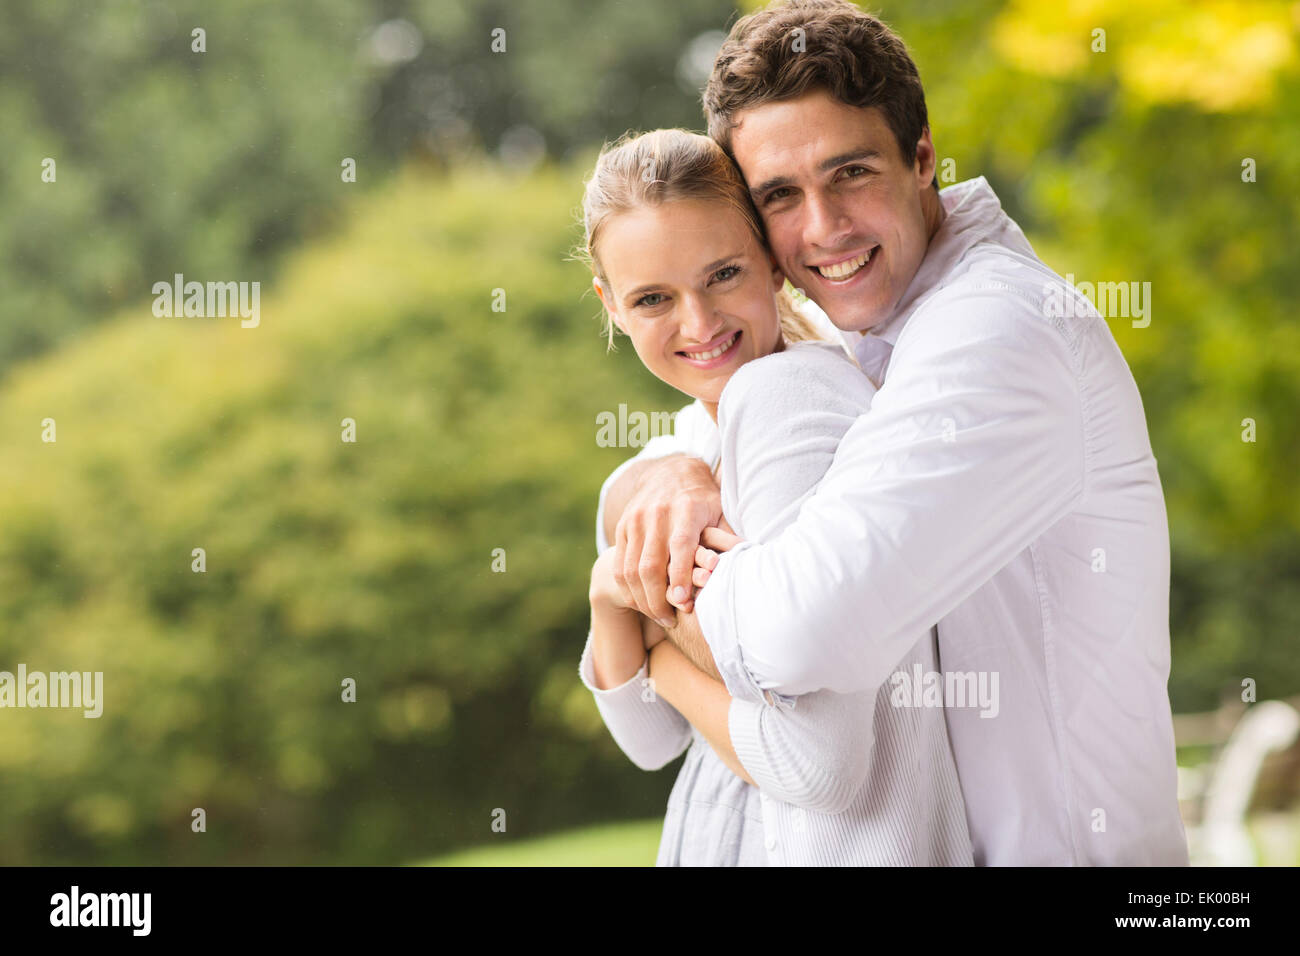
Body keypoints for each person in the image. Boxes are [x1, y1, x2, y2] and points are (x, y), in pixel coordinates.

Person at [597, 0, 1189, 865]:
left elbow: (798, 637)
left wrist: (649, 608)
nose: (825, 228)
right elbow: (707, 436)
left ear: (921, 158)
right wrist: (668, 477)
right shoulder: (869, 333)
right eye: (780, 197)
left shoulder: (998, 329)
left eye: (851, 173)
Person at [577, 128, 972, 866]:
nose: (698, 324)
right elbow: (649, 741)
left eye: (723, 274)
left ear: (772, 260)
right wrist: (607, 593)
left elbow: (816, 767)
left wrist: (659, 645)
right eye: (654, 298)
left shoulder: (788, 395)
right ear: (612, 305)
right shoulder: (693, 439)